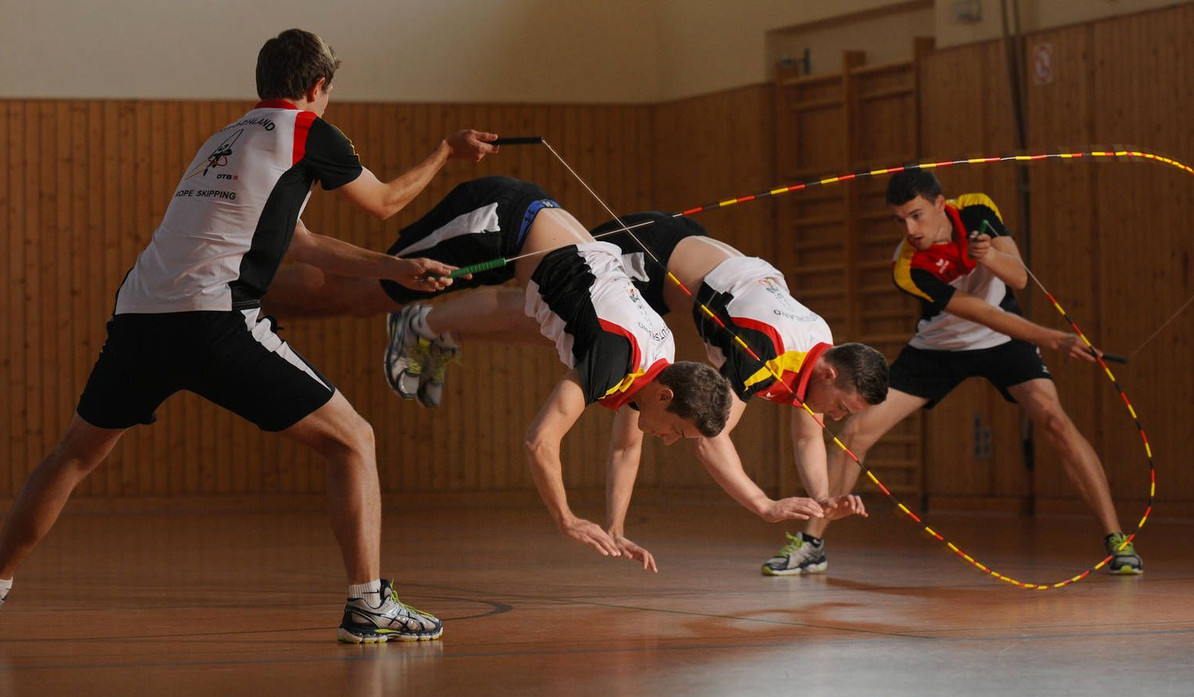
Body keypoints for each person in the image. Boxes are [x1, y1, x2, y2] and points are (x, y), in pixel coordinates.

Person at [0, 28, 500, 645]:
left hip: (138, 315)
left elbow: (299, 241)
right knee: (354, 441)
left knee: (73, 454)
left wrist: (395, 269)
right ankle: (369, 605)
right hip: (212, 317)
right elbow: (386, 201)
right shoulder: (308, 132)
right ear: (318, 86)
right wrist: (446, 151)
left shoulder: (225, 140)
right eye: (328, 90)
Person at [374, 211, 890, 573]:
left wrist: (821, 504)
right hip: (648, 255)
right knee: (541, 316)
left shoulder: (819, 347)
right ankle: (426, 324)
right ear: (828, 375)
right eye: (843, 408)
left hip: (678, 255)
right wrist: (764, 505)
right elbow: (709, 437)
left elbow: (807, 435)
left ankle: (433, 327)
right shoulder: (763, 351)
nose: (839, 418)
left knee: (559, 332)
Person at [814, 168, 1143, 575]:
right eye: (900, 220)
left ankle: (1117, 540)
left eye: (916, 215)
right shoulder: (908, 266)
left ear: (940, 203)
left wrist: (991, 256)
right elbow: (982, 313)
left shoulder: (976, 209)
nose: (910, 229)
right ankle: (811, 542)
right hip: (939, 347)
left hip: (1005, 343)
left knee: (1056, 421)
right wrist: (1056, 340)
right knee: (855, 433)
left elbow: (1019, 277)